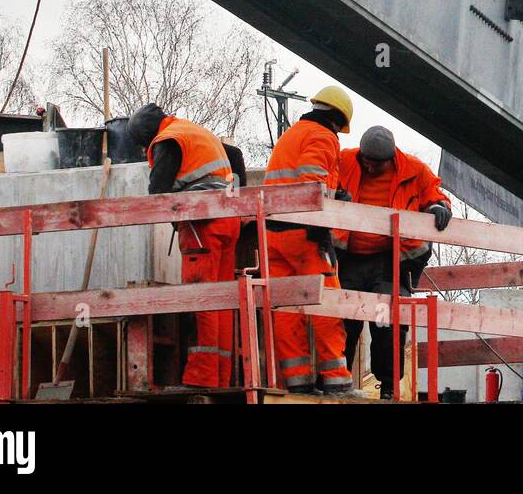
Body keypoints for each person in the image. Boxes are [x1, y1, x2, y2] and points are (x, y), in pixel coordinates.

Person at [332, 125, 451, 398]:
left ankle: (388, 387)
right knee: (343, 320)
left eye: (377, 164)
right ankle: (337, 384)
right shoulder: (346, 161)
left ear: (390, 158)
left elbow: (436, 194)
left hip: (389, 263)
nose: (370, 168)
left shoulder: (413, 170)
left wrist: (437, 207)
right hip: (349, 259)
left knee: (387, 320)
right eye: (366, 162)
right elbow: (323, 182)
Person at [129, 103, 239, 389]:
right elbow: (236, 158)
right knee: (222, 301)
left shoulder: (168, 140)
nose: (145, 151)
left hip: (201, 226)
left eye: (144, 146)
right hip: (228, 222)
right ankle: (220, 377)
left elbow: (157, 194)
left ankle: (202, 379)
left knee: (200, 301)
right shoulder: (193, 131)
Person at [263, 85, 355, 394]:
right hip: (304, 232)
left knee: (287, 310)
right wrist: (322, 230)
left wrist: (336, 193)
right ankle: (338, 382)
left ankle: (299, 382)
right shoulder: (322, 136)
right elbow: (311, 184)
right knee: (327, 303)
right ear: (338, 119)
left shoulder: (292, 134)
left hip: (273, 233)